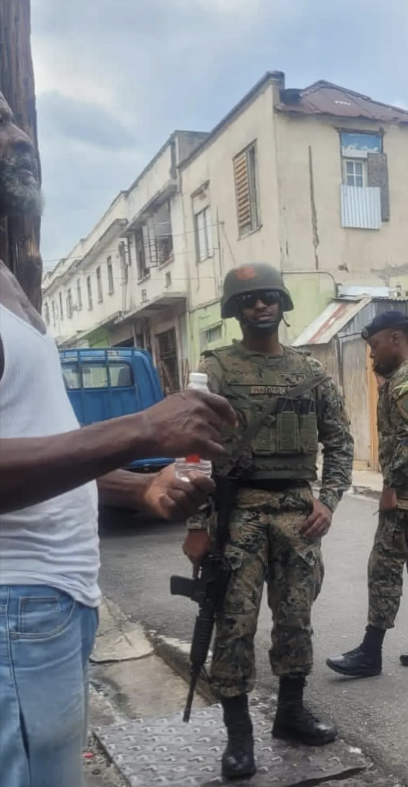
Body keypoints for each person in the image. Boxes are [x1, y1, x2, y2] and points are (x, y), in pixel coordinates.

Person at [0, 91, 236, 787]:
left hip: (53, 604)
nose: (18, 137)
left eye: (14, 118)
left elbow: (32, 443)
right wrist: (142, 427)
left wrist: (140, 484)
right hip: (16, 605)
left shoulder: (11, 283)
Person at [182, 263, 354, 780]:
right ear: (236, 309)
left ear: (282, 302)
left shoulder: (309, 371)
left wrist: (328, 500)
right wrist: (197, 522)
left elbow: (340, 441)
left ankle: (290, 714)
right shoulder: (214, 369)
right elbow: (191, 448)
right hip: (238, 515)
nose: (261, 305)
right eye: (250, 299)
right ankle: (238, 736)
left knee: (295, 618)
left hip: (298, 514)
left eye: (268, 296)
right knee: (233, 624)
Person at [326, 311, 408, 678]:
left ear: (395, 338)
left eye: (374, 345)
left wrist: (390, 486)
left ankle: (370, 651)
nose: (370, 354)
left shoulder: (406, 381)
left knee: (384, 564)